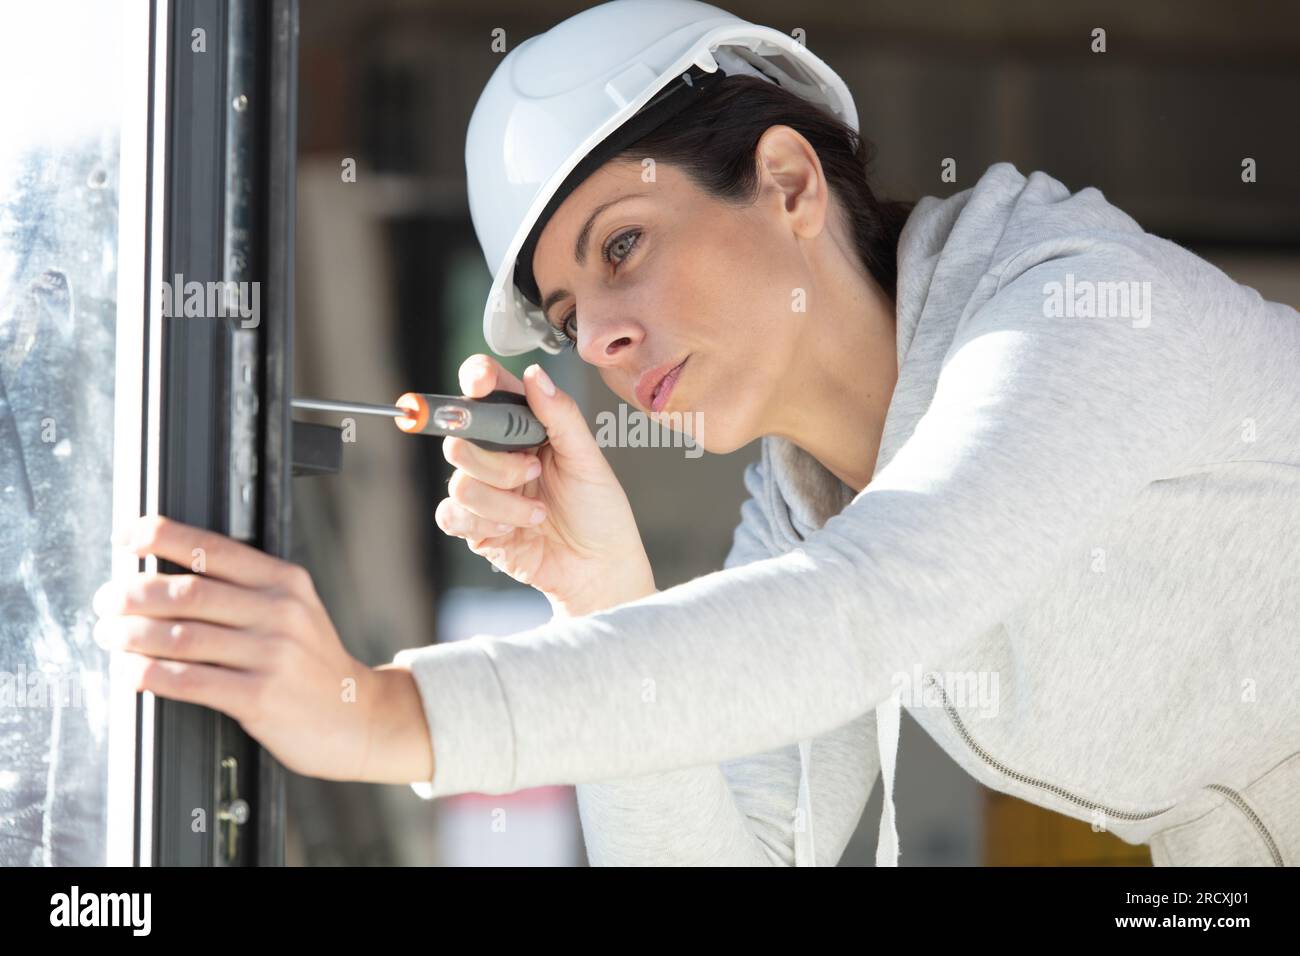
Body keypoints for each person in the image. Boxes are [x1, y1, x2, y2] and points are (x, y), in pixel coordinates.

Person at [93, 0, 1300, 866]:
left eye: (622, 245)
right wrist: (606, 597)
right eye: (568, 316)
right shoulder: (804, 515)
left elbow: (875, 603)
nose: (601, 339)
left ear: (785, 182)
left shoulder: (1073, 310)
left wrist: (378, 714)